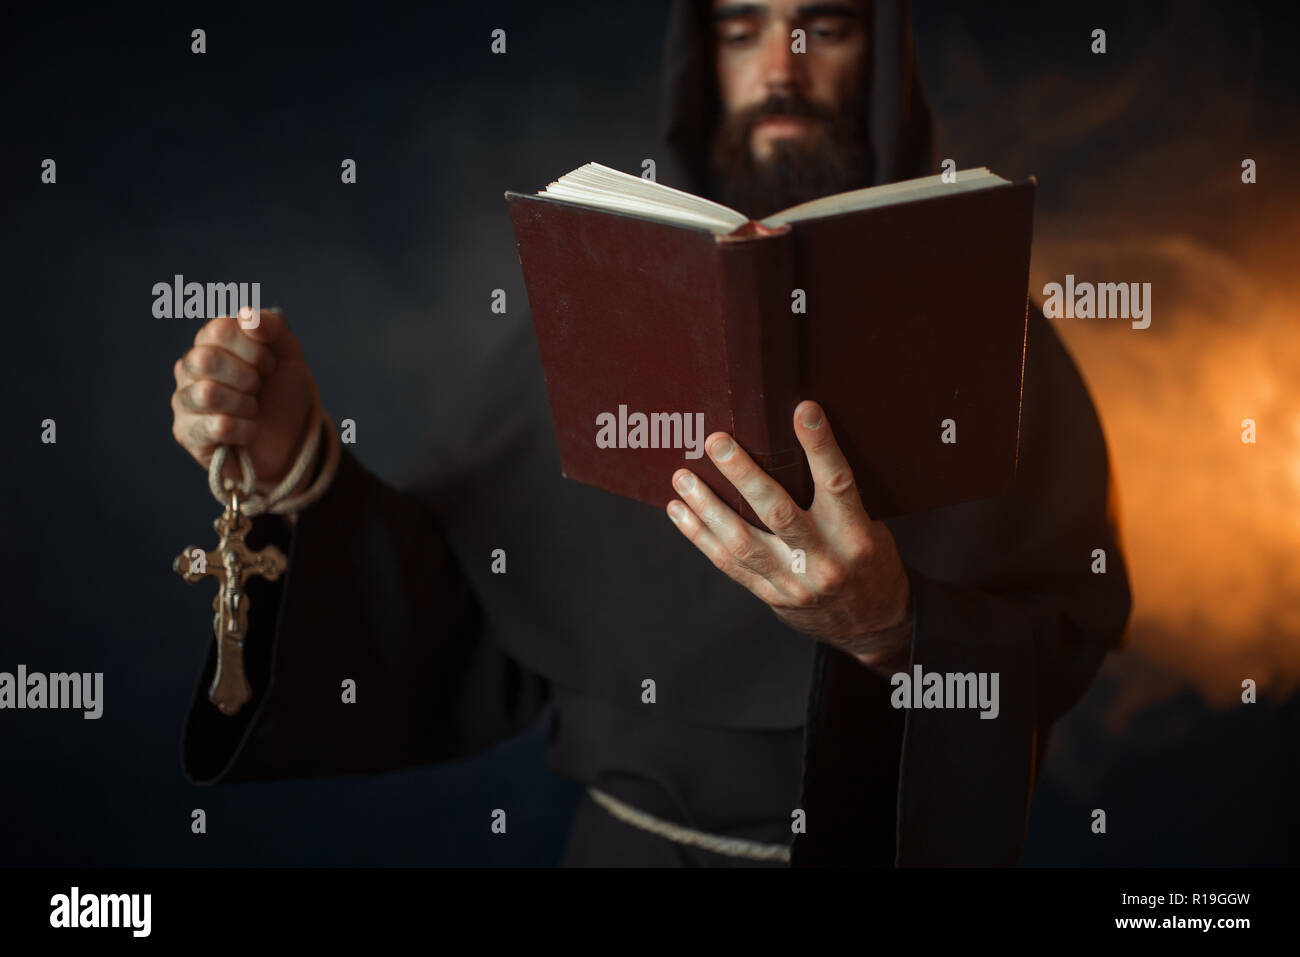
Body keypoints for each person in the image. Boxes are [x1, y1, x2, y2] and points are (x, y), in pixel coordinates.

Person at [168, 0, 1131, 866]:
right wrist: (296, 461)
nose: (782, 67)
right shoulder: (597, 310)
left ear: (883, 60)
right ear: (698, 60)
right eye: (741, 28)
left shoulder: (991, 323)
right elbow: (457, 608)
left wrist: (893, 628)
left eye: (824, 28)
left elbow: (1067, 630)